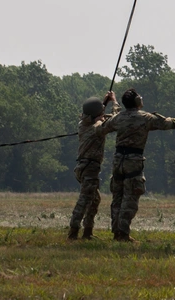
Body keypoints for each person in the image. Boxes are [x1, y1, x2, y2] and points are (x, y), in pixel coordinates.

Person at [98, 88, 175, 242]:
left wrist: (112, 102)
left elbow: (103, 128)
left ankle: (117, 232)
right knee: (130, 198)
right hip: (133, 161)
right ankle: (123, 234)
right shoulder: (145, 118)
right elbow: (170, 123)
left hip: (117, 161)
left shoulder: (118, 118)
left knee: (117, 198)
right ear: (137, 101)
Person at [68, 90, 117, 241]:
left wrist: (104, 103)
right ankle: (73, 232)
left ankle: (87, 232)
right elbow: (116, 120)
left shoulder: (83, 123)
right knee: (84, 200)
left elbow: (96, 117)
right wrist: (114, 102)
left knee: (94, 199)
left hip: (83, 167)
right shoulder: (97, 128)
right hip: (90, 168)